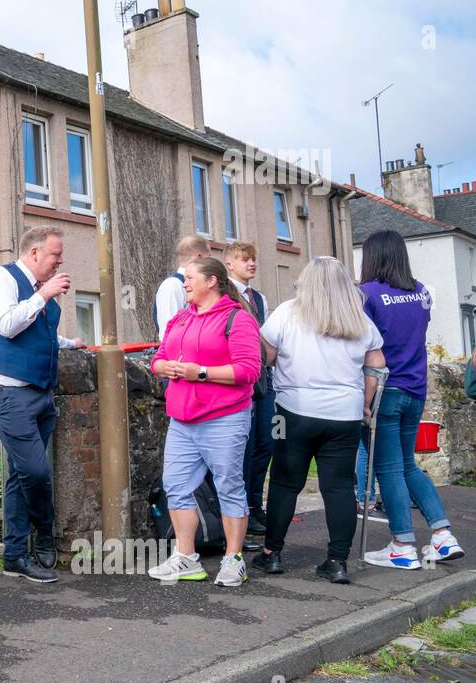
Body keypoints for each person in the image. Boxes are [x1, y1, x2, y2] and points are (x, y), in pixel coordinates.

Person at [252, 258, 385, 584]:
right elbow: (377, 367)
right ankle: (337, 561)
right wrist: (366, 404)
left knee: (285, 481)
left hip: (291, 412)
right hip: (344, 416)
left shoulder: (286, 312)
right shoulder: (359, 321)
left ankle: (272, 554)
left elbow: (264, 357)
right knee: (339, 487)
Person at [148, 258, 261, 585]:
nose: (184, 283)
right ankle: (186, 558)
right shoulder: (180, 319)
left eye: (190, 278)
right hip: (182, 420)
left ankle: (233, 559)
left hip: (224, 418)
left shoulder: (237, 319)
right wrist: (164, 367)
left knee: (228, 485)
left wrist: (201, 372)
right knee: (176, 487)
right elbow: (158, 358)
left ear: (212, 281)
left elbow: (248, 371)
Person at [359, 230, 466, 568]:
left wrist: (364, 400)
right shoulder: (420, 292)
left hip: (385, 389)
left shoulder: (366, 295)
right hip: (416, 389)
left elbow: (366, 349)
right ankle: (442, 535)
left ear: (373, 256)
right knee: (407, 465)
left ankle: (402, 545)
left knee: (388, 469)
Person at [0, 225, 71, 584]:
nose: (60, 261)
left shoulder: (37, 292)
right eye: (55, 255)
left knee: (20, 474)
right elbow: (7, 325)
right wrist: (44, 294)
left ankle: (14, 556)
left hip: (40, 394)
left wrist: (68, 343)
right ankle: (44, 530)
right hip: (5, 393)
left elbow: (38, 334)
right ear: (34, 253)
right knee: (36, 471)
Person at [224, 240, 273, 536]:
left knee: (265, 444)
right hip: (239, 380)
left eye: (253, 259)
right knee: (243, 449)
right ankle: (241, 513)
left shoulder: (259, 298)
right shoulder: (227, 294)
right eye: (244, 259)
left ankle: (256, 505)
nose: (251, 264)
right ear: (230, 263)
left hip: (263, 379)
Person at [153, 235, 210, 341]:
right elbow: (169, 335)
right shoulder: (172, 286)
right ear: (199, 256)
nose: (211, 263)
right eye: (209, 257)